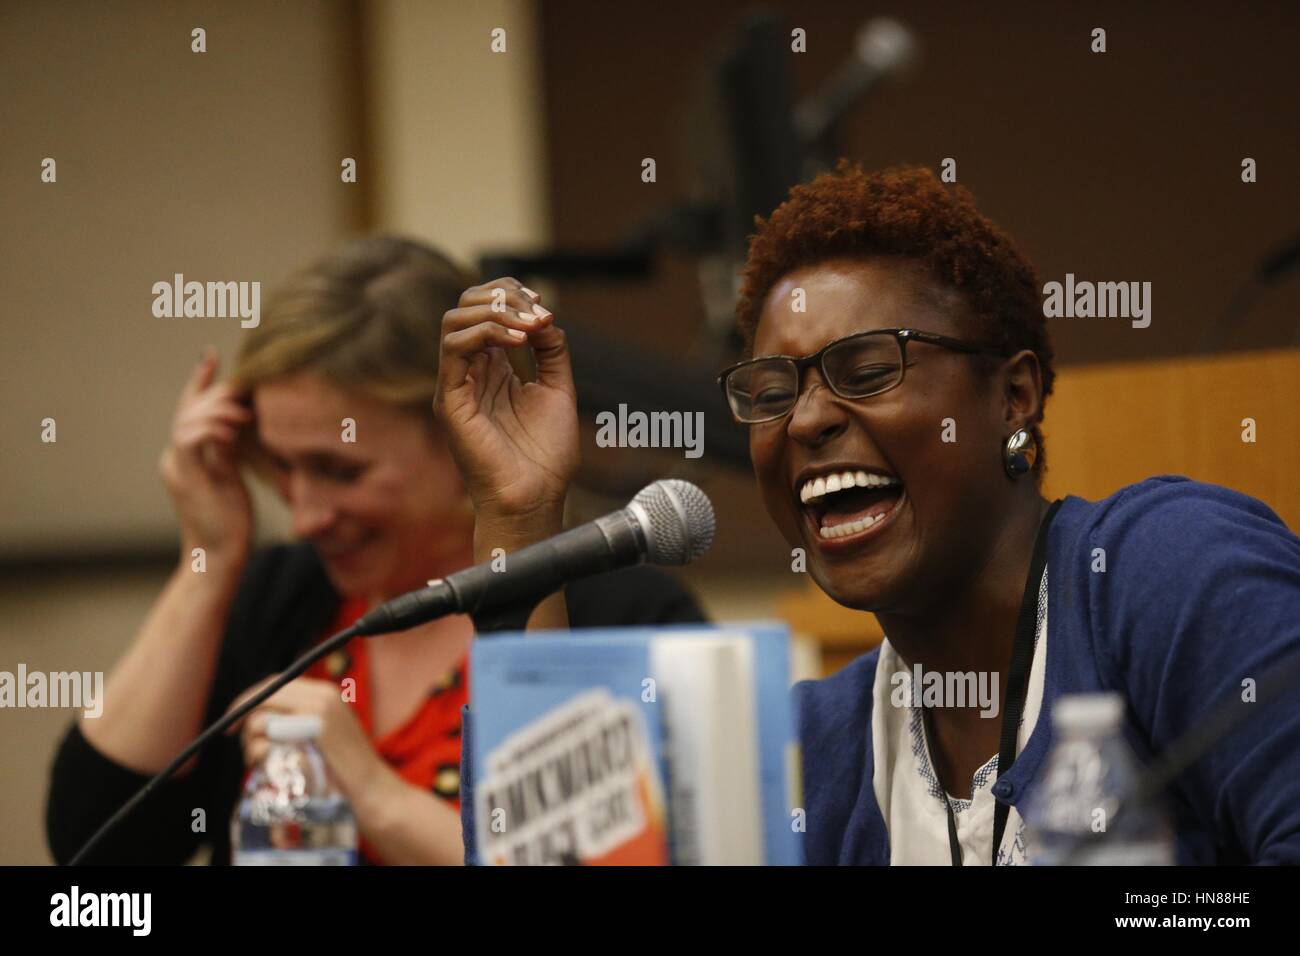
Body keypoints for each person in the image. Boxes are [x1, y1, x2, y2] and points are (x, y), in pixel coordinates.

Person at [448, 163, 1300, 866]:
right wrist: (519, 515)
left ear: (1013, 395)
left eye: (866, 367)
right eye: (772, 392)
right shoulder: (819, 752)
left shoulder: (1167, 573)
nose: (807, 419)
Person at [45, 236, 706, 866]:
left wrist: (372, 794)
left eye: (339, 470)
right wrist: (210, 561)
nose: (302, 516)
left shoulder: (627, 613)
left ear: (464, 434)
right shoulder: (281, 596)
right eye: (279, 465)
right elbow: (95, 849)